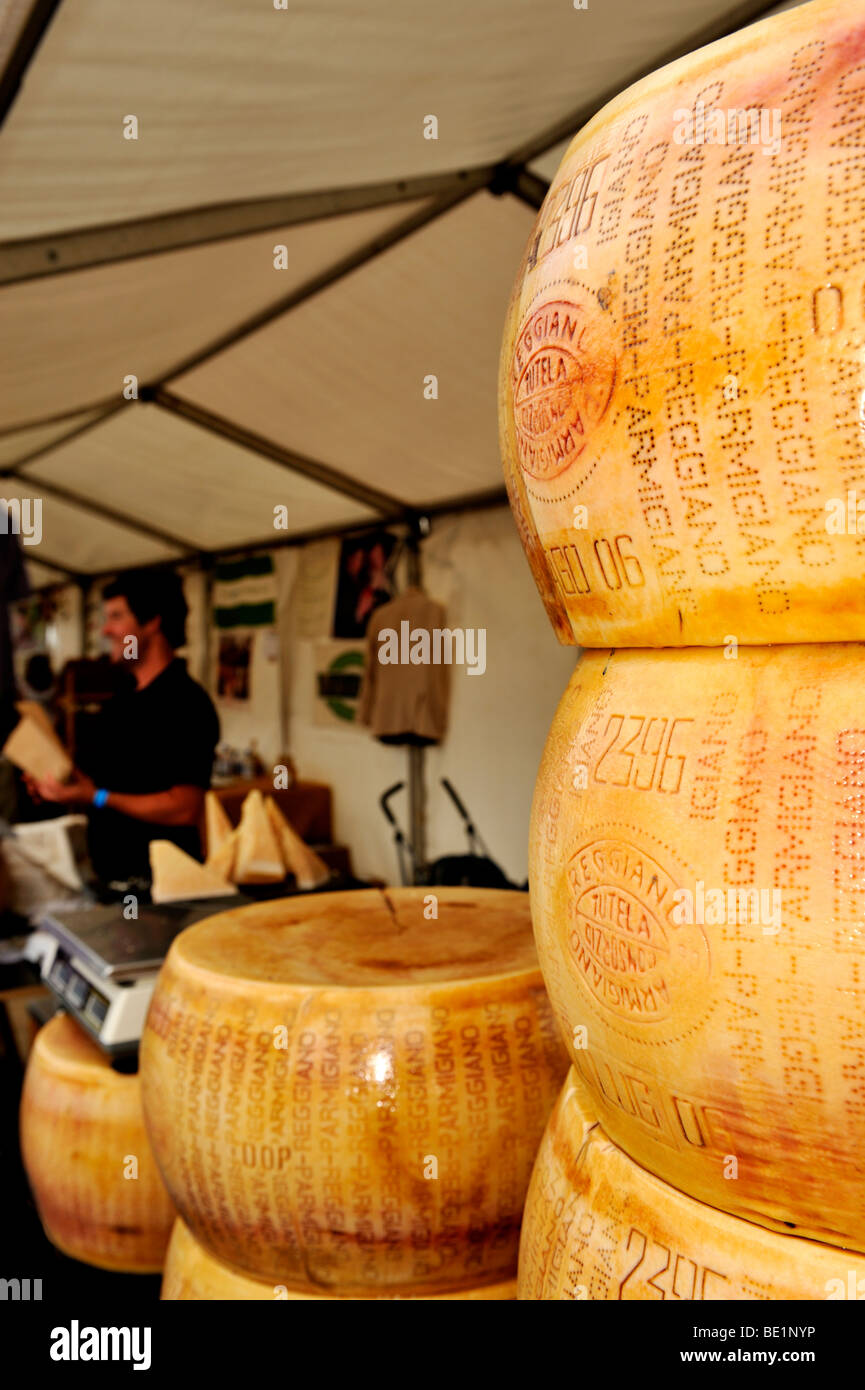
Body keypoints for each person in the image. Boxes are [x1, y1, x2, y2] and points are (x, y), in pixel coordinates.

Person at [30, 569, 219, 888]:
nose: (105, 630)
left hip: (159, 888)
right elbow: (107, 783)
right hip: (110, 878)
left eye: (117, 617)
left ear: (152, 622)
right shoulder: (123, 697)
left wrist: (97, 796)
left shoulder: (186, 702)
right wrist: (58, 781)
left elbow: (183, 808)